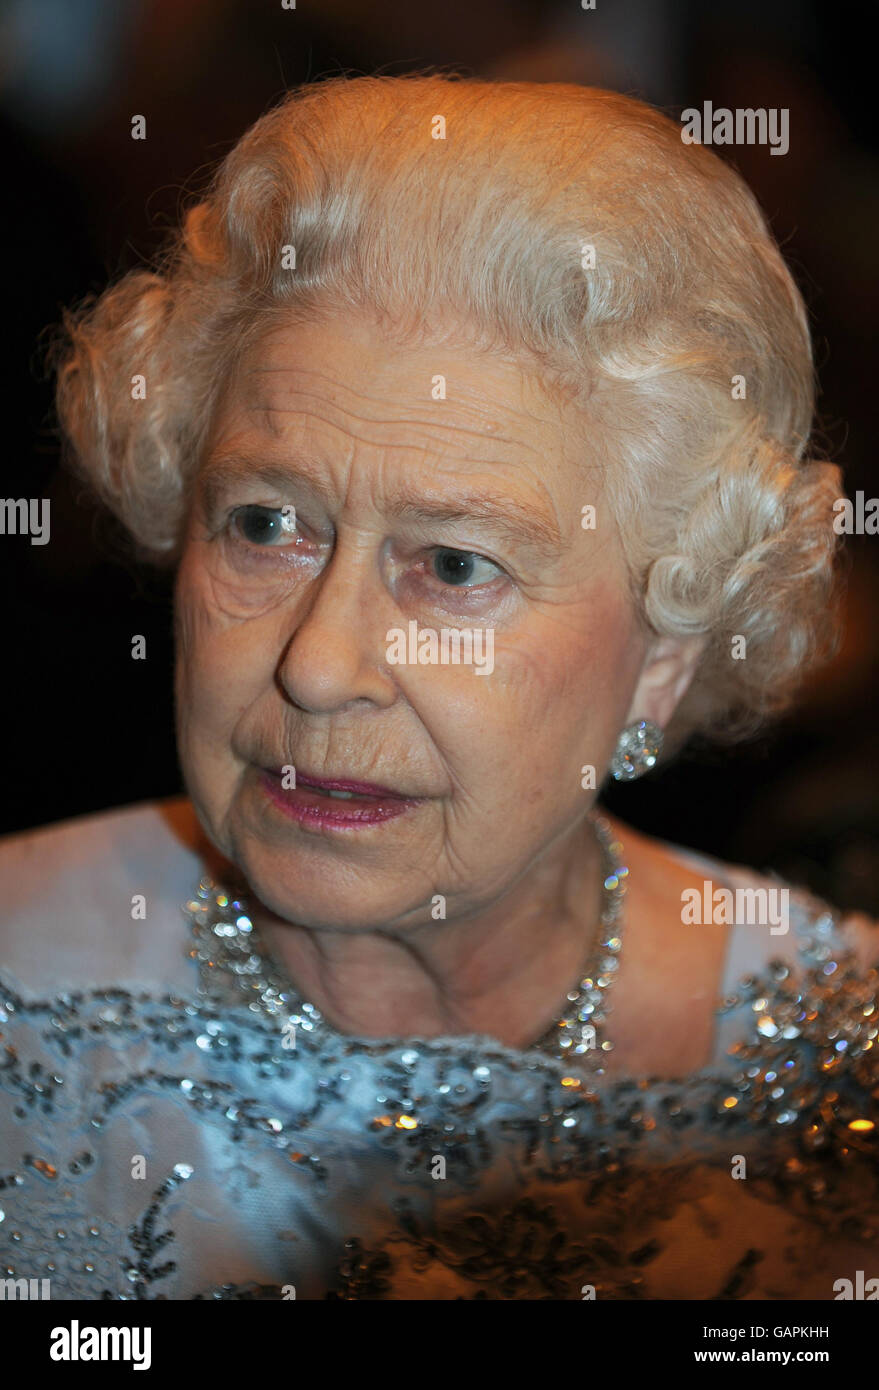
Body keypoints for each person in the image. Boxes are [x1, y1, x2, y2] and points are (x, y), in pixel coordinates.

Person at [1, 74, 876, 1301]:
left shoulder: (847, 1066)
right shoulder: (16, 970)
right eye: (265, 524)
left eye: (455, 565)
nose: (317, 664)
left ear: (667, 644)